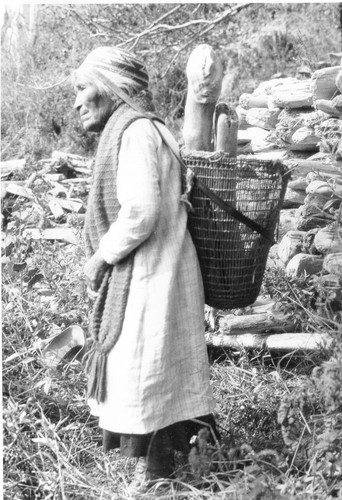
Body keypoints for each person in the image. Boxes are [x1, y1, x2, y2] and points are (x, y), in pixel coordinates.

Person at [73, 46, 218, 494]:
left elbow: (141, 211)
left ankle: (157, 474)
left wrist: (101, 256)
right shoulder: (147, 129)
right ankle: (188, 463)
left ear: (110, 87)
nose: (77, 101)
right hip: (161, 268)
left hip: (153, 272)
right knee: (158, 370)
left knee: (147, 372)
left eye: (82, 88)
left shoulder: (134, 133)